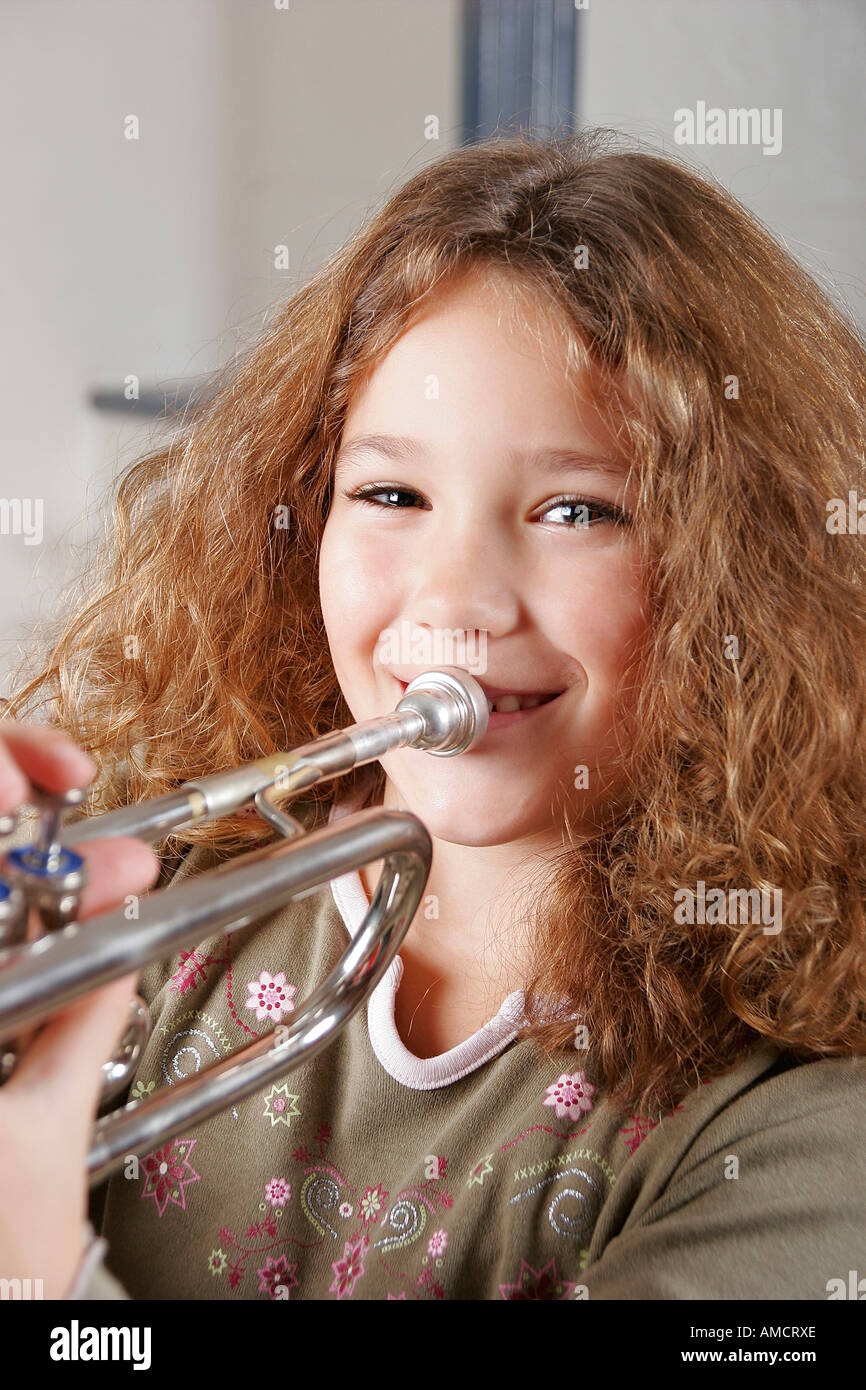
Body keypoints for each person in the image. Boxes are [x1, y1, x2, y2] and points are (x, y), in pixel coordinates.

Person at [2, 127, 865, 1301]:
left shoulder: (807, 1120)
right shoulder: (160, 890)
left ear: (742, 569)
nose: (455, 594)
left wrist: (39, 1266)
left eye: (577, 510)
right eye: (390, 491)